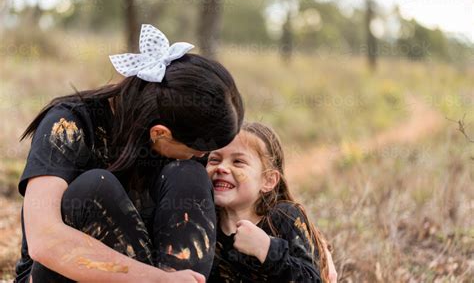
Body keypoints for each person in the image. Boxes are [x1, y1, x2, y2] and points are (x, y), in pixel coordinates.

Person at [14, 24, 244, 283]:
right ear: (160, 133)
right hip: (62, 275)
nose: (199, 157)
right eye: (195, 151)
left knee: (189, 176)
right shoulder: (68, 124)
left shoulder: (184, 145)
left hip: (155, 272)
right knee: (95, 187)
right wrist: (156, 280)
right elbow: (44, 241)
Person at [206, 122, 337, 282]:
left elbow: (312, 279)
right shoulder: (206, 223)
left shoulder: (284, 217)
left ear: (268, 181)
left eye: (238, 162)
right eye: (214, 160)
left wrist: (267, 249)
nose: (221, 168)